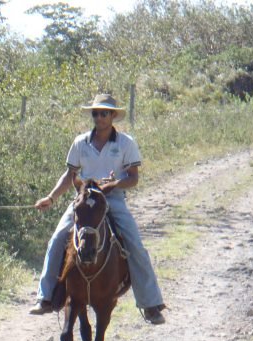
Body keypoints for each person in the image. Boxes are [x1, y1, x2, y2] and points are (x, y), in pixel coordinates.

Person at [30, 93, 166, 324]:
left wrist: (115, 184)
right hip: (84, 200)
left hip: (112, 200)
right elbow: (69, 175)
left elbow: (133, 178)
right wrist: (51, 198)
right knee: (57, 238)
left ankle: (151, 303)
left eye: (104, 113)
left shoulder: (126, 143)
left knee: (135, 244)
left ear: (113, 116)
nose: (100, 117)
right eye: (96, 113)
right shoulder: (80, 142)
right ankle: (46, 296)